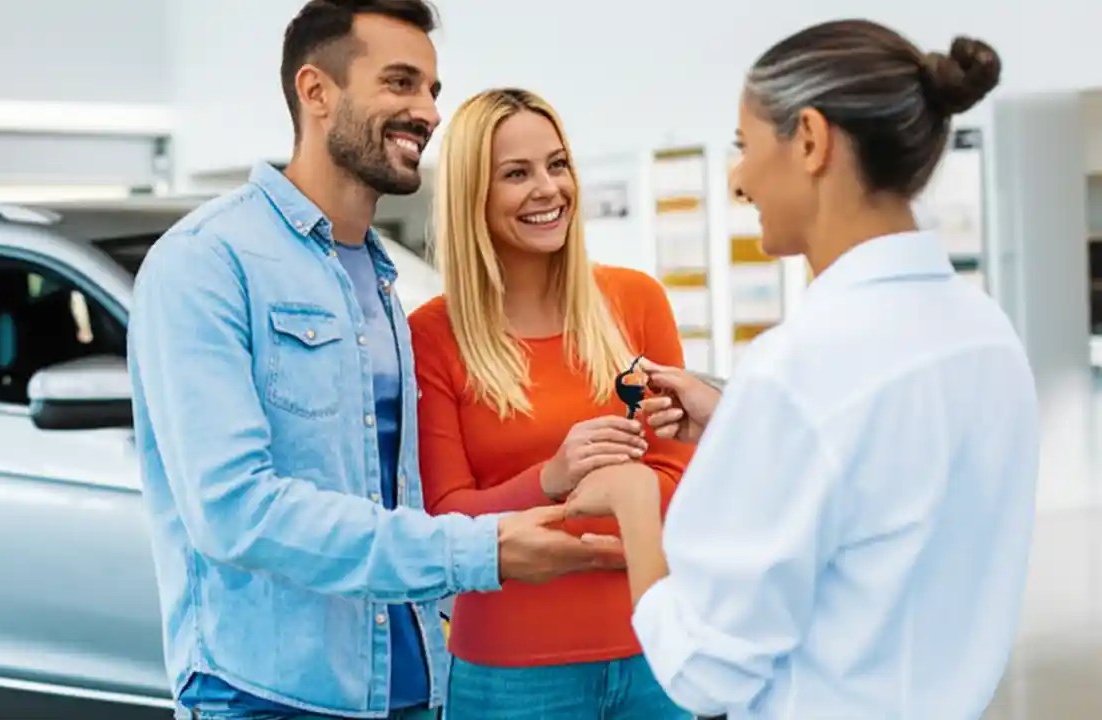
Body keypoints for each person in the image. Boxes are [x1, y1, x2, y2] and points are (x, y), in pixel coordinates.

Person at [126, 3, 624, 719]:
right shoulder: (206, 262)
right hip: (266, 697)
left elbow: (401, 491)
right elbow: (235, 513)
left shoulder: (380, 276)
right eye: (399, 83)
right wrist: (479, 551)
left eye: (430, 90)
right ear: (317, 92)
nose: (424, 111)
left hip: (413, 685)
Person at [564, 19, 1039, 719]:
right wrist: (740, 428)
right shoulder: (987, 336)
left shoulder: (798, 366)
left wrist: (634, 502)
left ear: (811, 140)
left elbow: (704, 671)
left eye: (744, 146)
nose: (737, 178)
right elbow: (888, 499)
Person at [408, 88, 697, 720]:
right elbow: (446, 520)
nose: (548, 189)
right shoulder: (431, 334)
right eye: (517, 173)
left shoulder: (636, 301)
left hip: (654, 656)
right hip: (509, 676)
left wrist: (574, 512)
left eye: (558, 164)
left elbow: (680, 477)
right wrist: (553, 479)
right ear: (471, 197)